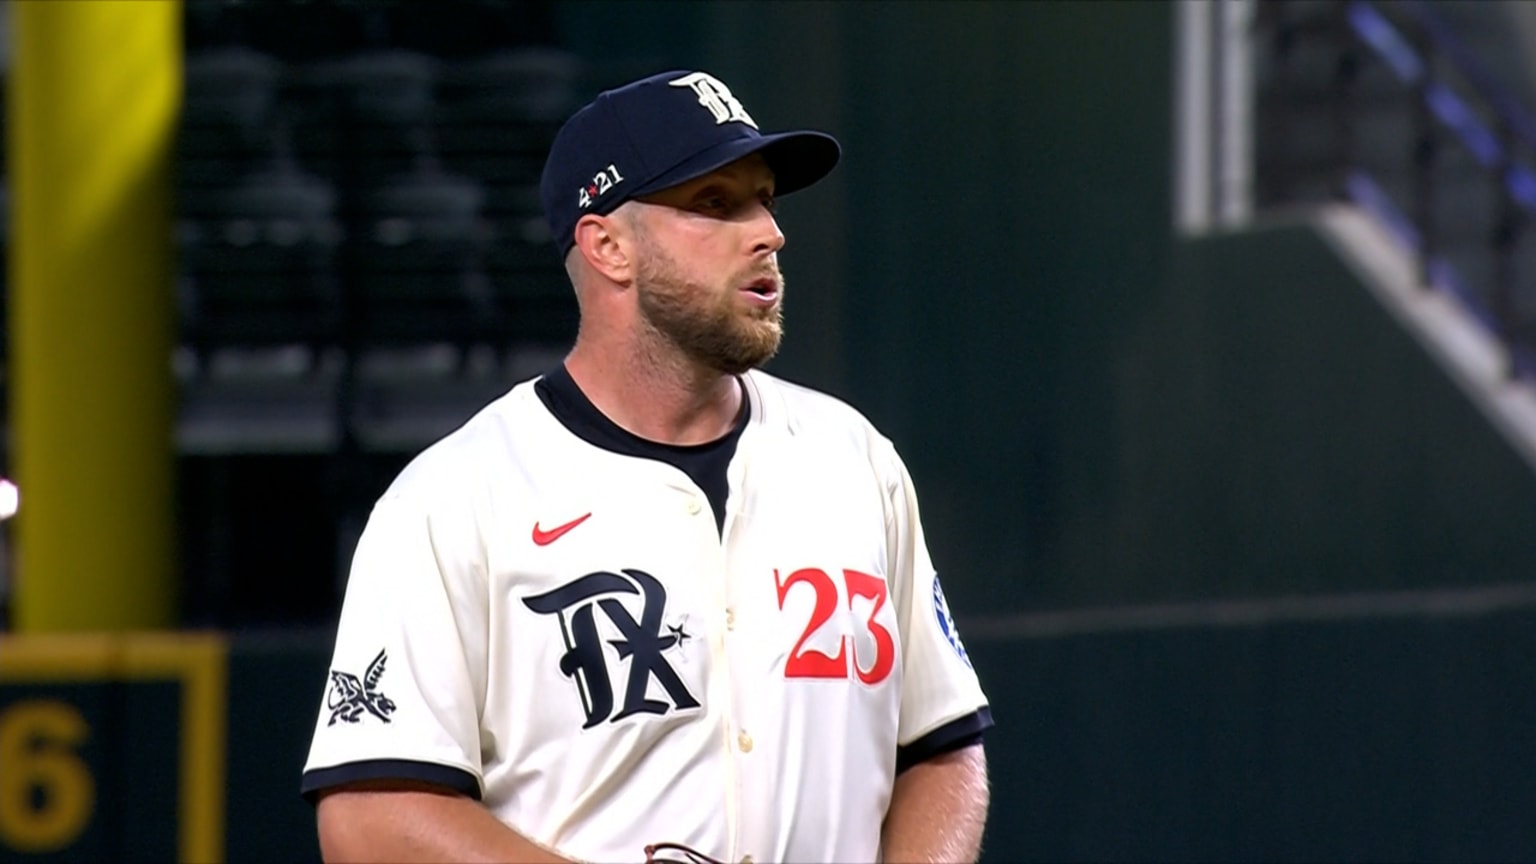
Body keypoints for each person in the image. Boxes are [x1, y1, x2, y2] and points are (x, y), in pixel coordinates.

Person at [300, 68, 994, 864]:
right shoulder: (456, 499)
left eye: (764, 198)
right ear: (608, 247)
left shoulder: (853, 460)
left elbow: (940, 746)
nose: (768, 231)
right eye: (716, 204)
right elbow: (369, 817)